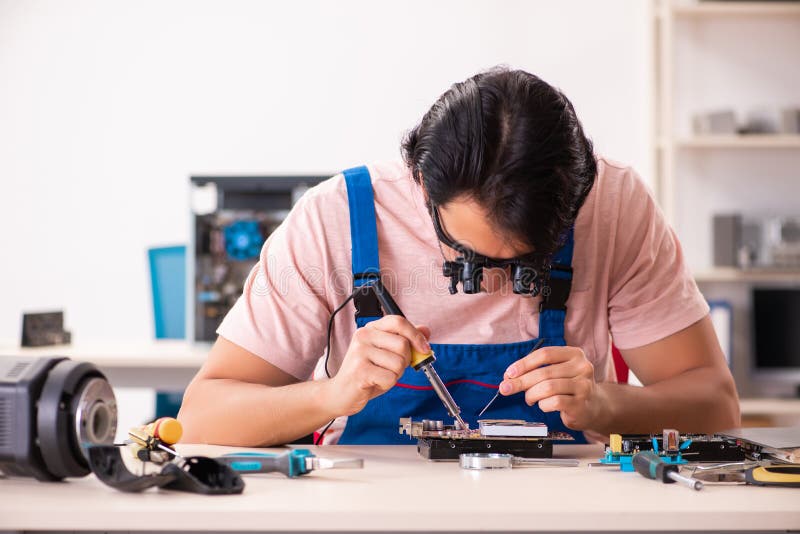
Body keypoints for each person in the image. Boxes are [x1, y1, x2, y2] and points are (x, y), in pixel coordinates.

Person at [178, 67, 740, 446]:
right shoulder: (335, 219)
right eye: (466, 256)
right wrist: (331, 394)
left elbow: (716, 409)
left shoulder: (614, 204)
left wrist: (603, 405)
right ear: (422, 184)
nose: (495, 287)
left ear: (578, 202)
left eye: (529, 266)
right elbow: (203, 415)